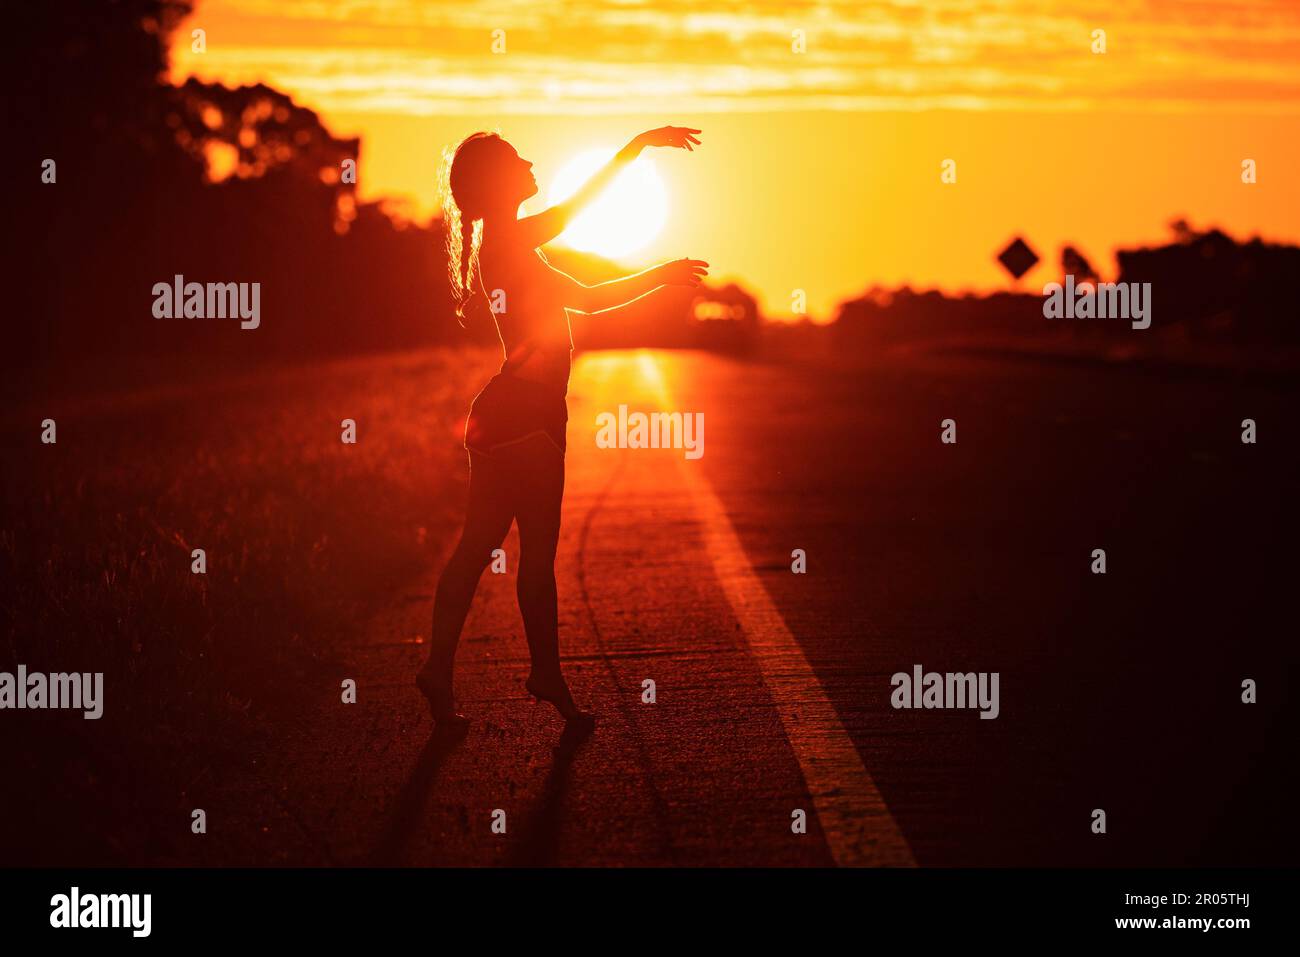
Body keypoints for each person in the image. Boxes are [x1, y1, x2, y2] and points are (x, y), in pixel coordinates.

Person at [416, 126, 708, 733]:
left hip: (507, 411)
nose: (529, 161)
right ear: (498, 183)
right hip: (528, 413)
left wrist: (661, 275)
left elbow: (590, 298)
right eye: (516, 159)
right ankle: (540, 673)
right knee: (533, 557)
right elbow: (579, 209)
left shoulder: (513, 250)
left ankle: (443, 671)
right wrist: (634, 148)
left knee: (479, 547)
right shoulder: (508, 237)